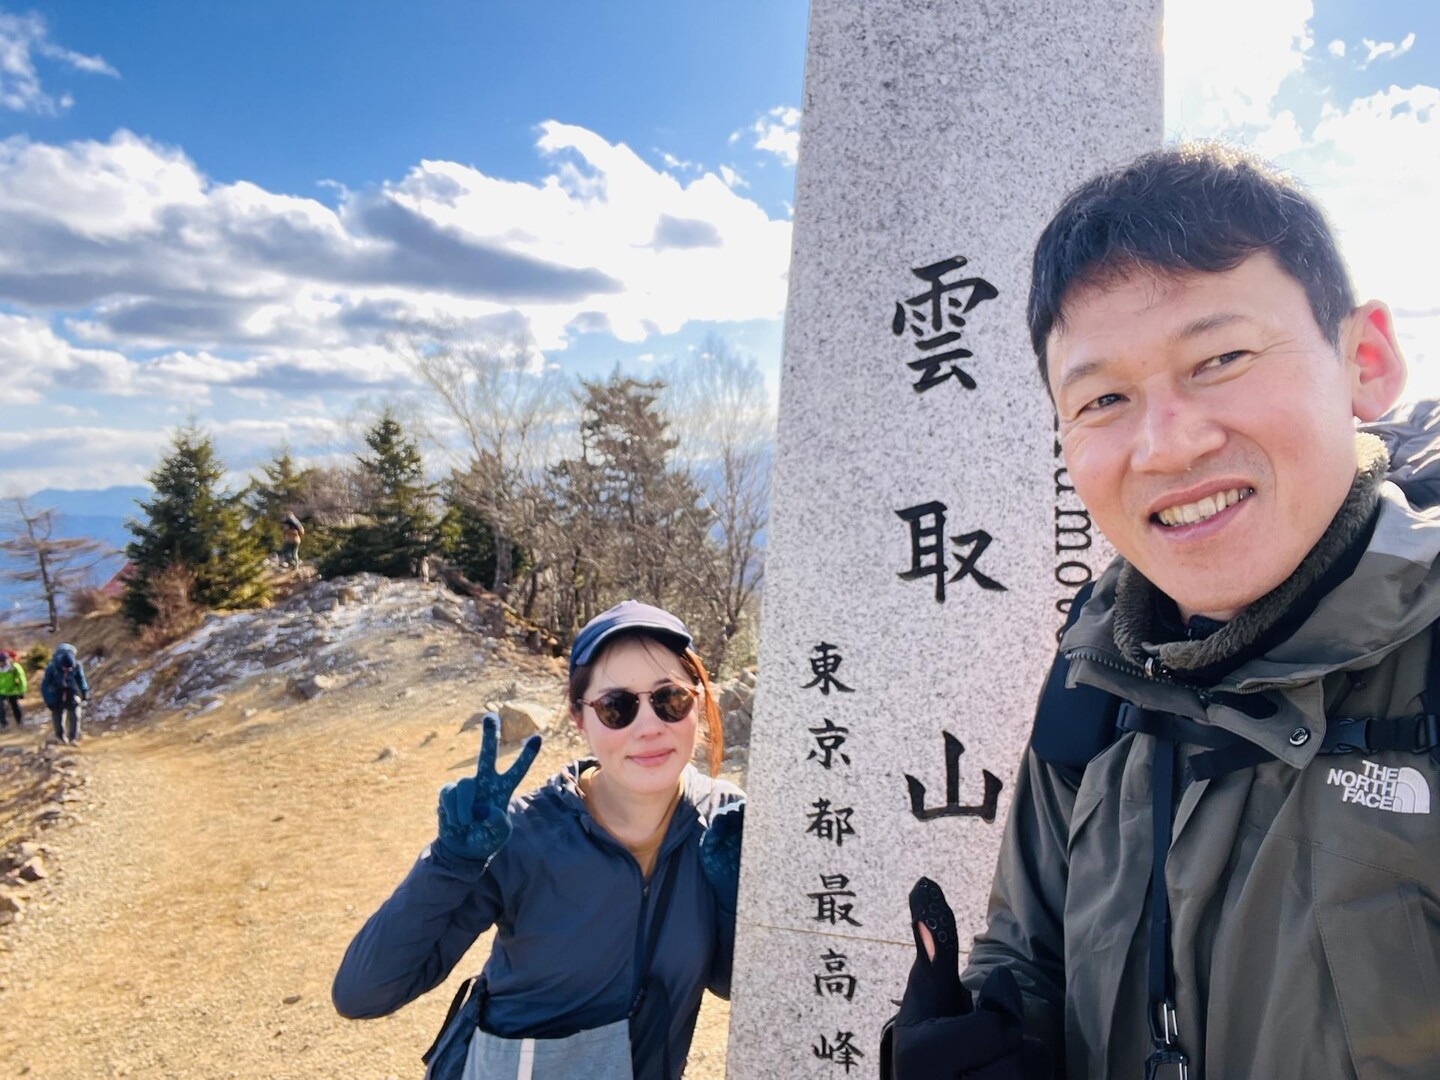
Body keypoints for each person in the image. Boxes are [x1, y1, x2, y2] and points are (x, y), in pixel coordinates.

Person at [888, 143, 1437, 1079]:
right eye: (1103, 398)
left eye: (1219, 357)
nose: (1167, 444)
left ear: (1365, 360)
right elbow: (1028, 951)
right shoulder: (1096, 671)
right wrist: (981, 1040)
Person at [333, 600, 746, 1080]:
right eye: (617, 707)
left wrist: (732, 902)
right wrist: (450, 862)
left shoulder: (723, 822)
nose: (649, 725)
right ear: (579, 718)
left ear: (698, 700)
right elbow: (364, 992)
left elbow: (728, 980)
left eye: (670, 699)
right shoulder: (522, 833)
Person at [41, 643, 89, 745]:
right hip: (56, 694)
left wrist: (84, 693)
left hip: (71, 692)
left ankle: (73, 739)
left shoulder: (76, 666)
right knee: (57, 716)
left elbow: (81, 680)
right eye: (65, 669)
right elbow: (44, 686)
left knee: (75, 715)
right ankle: (60, 737)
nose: (68, 670)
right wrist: (49, 701)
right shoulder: (52, 667)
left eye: (69, 669)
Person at [0, 650, 26, 729]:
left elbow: (22, 679)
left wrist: (22, 691)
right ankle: (3, 724)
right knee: (1, 708)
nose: (1, 664)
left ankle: (19, 721)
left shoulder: (14, 667)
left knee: (15, 707)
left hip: (12, 690)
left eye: (2, 662)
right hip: (1, 691)